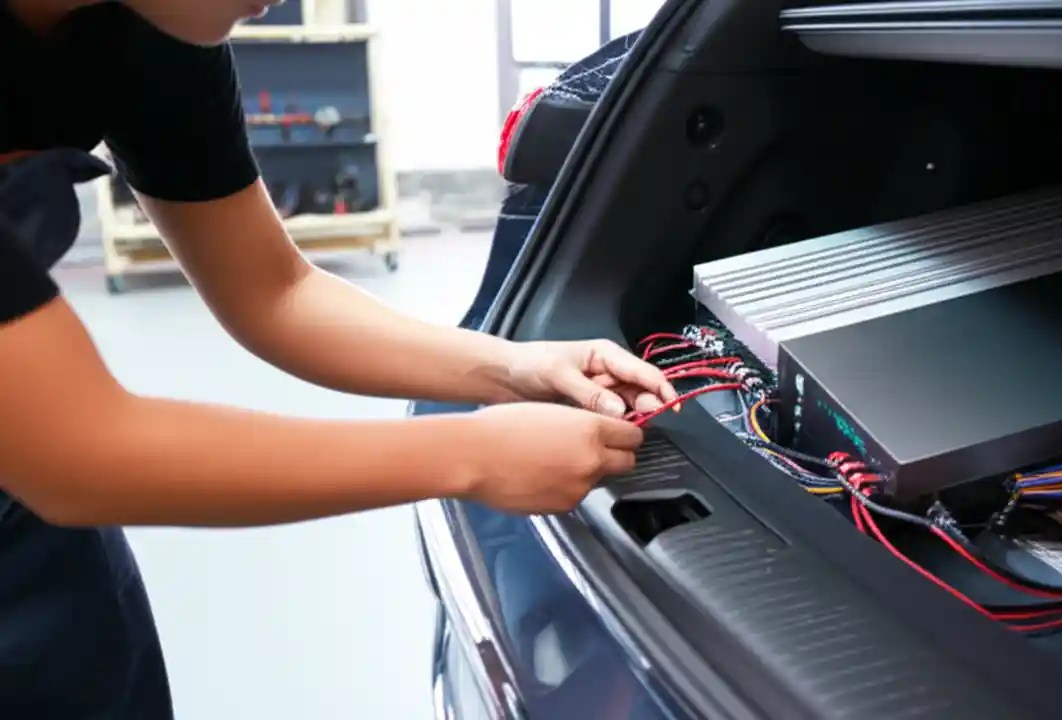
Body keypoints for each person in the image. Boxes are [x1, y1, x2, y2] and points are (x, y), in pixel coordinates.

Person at [0, 0, 678, 716]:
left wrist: (512, 365)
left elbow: (273, 289)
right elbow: (78, 451)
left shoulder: (155, 25)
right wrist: (471, 455)